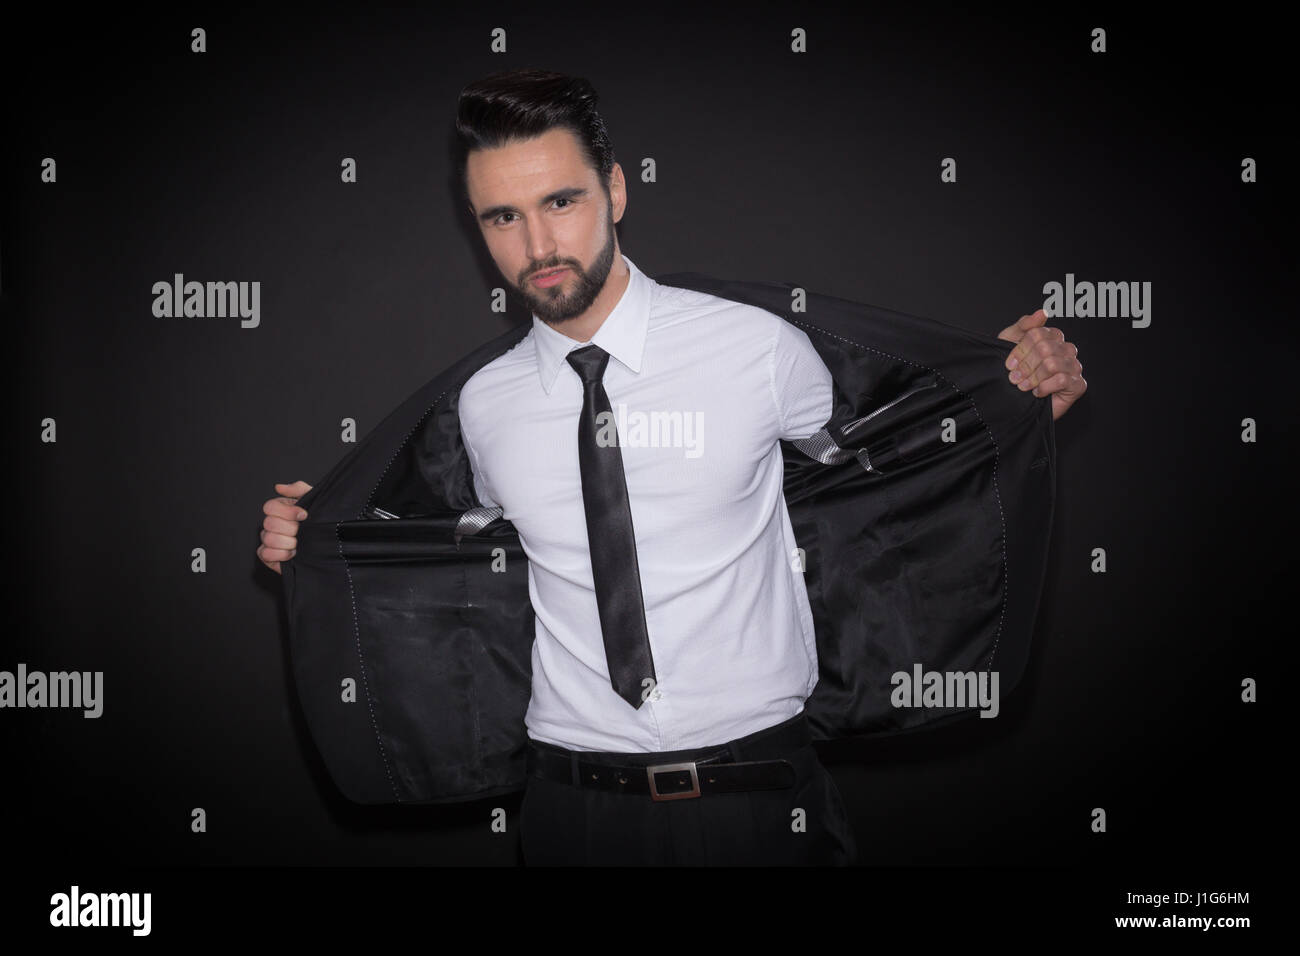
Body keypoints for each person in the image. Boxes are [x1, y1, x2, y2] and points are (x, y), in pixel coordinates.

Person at [257, 68, 1086, 866]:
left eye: (561, 202)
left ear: (615, 191)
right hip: (570, 811)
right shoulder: (481, 406)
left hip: (760, 804)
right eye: (503, 217)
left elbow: (886, 464)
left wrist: (1011, 400)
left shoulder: (758, 348)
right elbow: (431, 553)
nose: (539, 245)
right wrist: (317, 537)